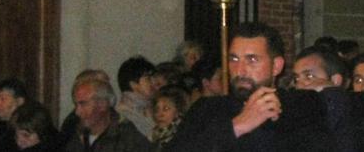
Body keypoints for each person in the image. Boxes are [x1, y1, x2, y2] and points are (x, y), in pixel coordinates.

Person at [167, 21, 335, 151]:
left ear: (276, 66)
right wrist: (238, 125)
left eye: (252, 60)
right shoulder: (207, 108)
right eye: (234, 59)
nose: (240, 70)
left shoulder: (300, 105)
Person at [66, 78, 154, 152]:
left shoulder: (128, 139)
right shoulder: (75, 138)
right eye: (76, 105)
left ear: (103, 104)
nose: (77, 112)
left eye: (83, 104)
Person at [115, 56, 157, 139]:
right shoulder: (124, 114)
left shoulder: (149, 107)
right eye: (148, 79)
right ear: (133, 84)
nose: (154, 82)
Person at [150, 86, 188, 150]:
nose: (160, 114)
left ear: (178, 111)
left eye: (166, 109)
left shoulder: (183, 136)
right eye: (157, 110)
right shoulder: (156, 136)